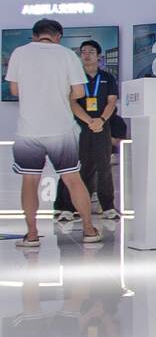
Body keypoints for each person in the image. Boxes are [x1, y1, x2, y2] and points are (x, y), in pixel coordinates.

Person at [5, 19, 101, 247]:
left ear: (34, 35)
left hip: (29, 130)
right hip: (61, 129)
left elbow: (14, 89)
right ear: (58, 36)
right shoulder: (67, 55)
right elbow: (78, 91)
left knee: (30, 181)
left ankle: (31, 234)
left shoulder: (20, 53)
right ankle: (88, 229)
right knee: (73, 179)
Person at [53, 40, 118, 222]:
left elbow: (111, 101)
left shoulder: (107, 77)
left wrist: (101, 120)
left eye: (91, 51)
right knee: (73, 167)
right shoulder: (74, 78)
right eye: (83, 52)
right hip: (79, 126)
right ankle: (67, 208)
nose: (86, 54)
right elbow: (71, 102)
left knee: (103, 167)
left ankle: (108, 207)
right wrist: (89, 120)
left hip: (101, 127)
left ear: (98, 56)